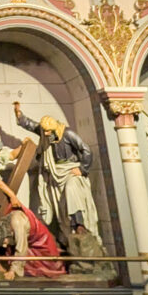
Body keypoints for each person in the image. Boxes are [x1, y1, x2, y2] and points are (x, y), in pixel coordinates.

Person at [13, 101, 99, 246]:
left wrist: (82, 169)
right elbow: (31, 125)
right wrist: (19, 114)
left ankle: (79, 224)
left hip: (71, 171)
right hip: (55, 174)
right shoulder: (45, 132)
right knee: (61, 204)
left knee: (72, 190)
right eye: (44, 132)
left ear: (55, 129)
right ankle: (68, 234)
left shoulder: (67, 134)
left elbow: (86, 150)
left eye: (48, 132)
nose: (45, 135)